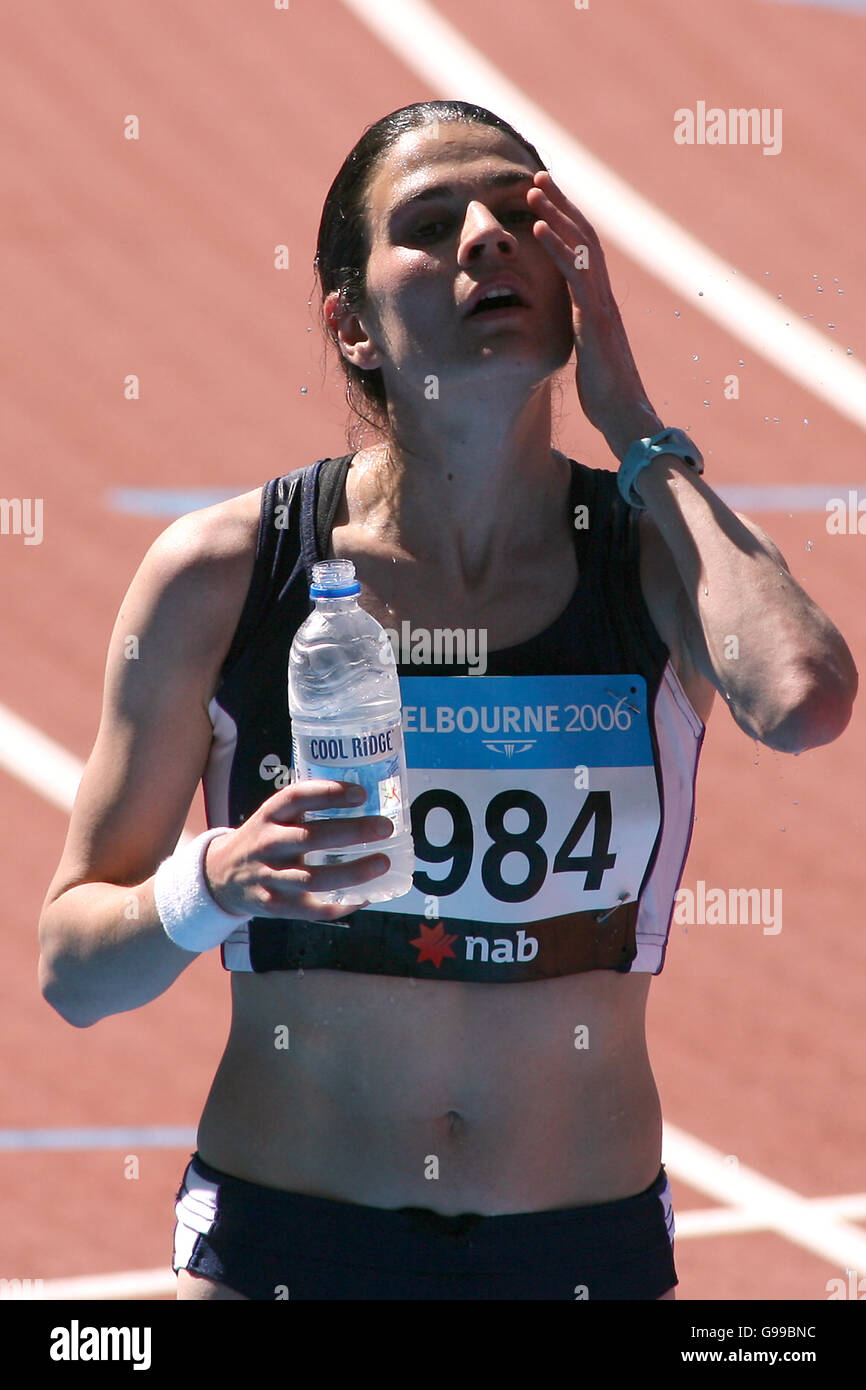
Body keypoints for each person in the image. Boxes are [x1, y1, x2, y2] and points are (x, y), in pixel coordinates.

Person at [38, 100, 857, 1302]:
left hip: (578, 1253)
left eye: (519, 214)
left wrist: (641, 436)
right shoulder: (226, 576)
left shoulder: (643, 558)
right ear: (350, 324)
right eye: (429, 225)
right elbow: (71, 966)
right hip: (287, 1250)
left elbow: (801, 698)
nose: (483, 237)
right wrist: (209, 884)